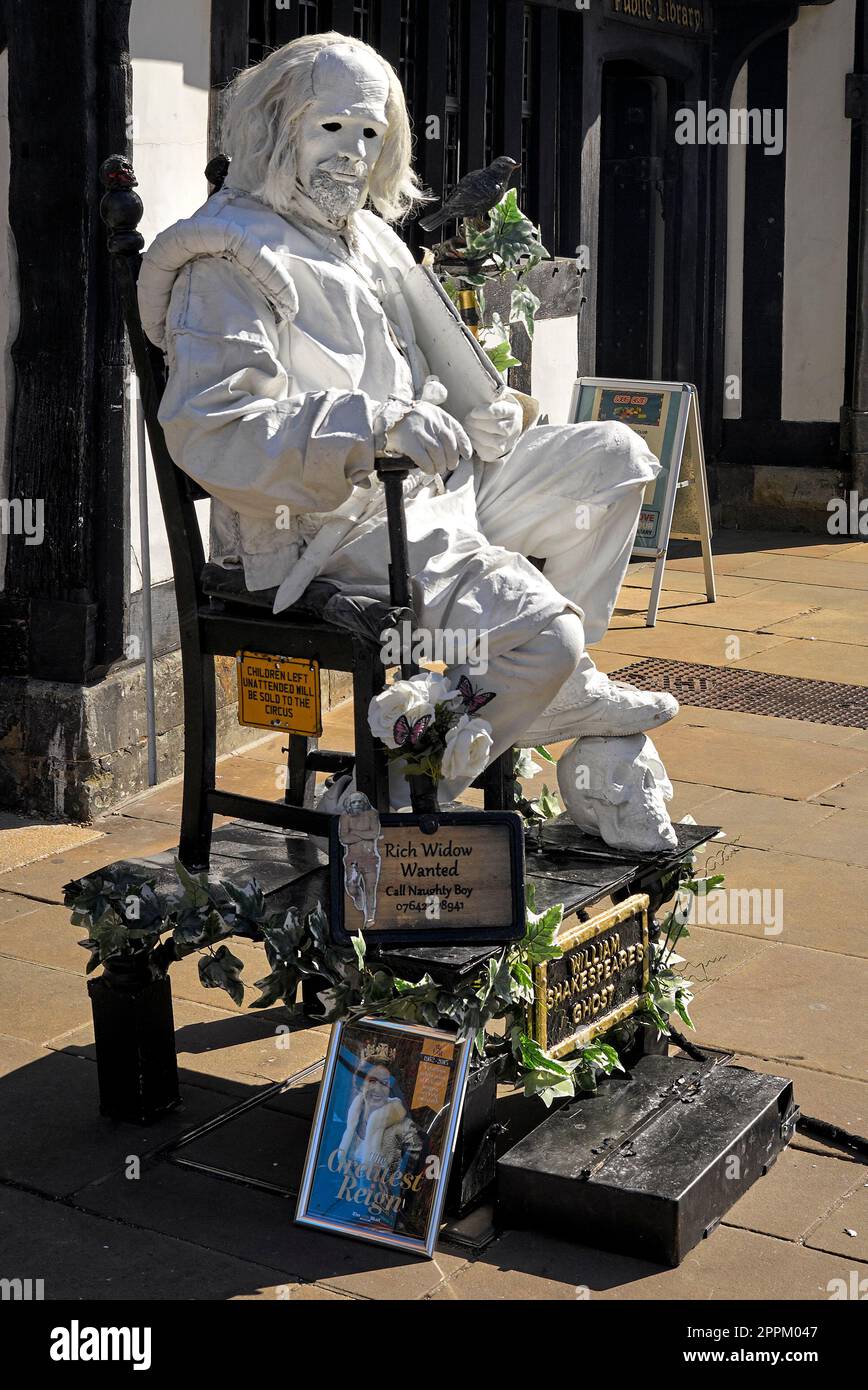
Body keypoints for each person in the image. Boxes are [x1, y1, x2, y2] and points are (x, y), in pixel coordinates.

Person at [137, 31, 678, 838]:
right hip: (340, 519)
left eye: (370, 133)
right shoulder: (229, 259)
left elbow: (430, 370)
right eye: (332, 128)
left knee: (617, 460)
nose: (353, 153)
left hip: (438, 487)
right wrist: (369, 424)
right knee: (543, 636)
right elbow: (213, 432)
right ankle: (396, 772)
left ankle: (528, 691)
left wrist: (488, 412)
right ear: (276, 125)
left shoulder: (367, 240)